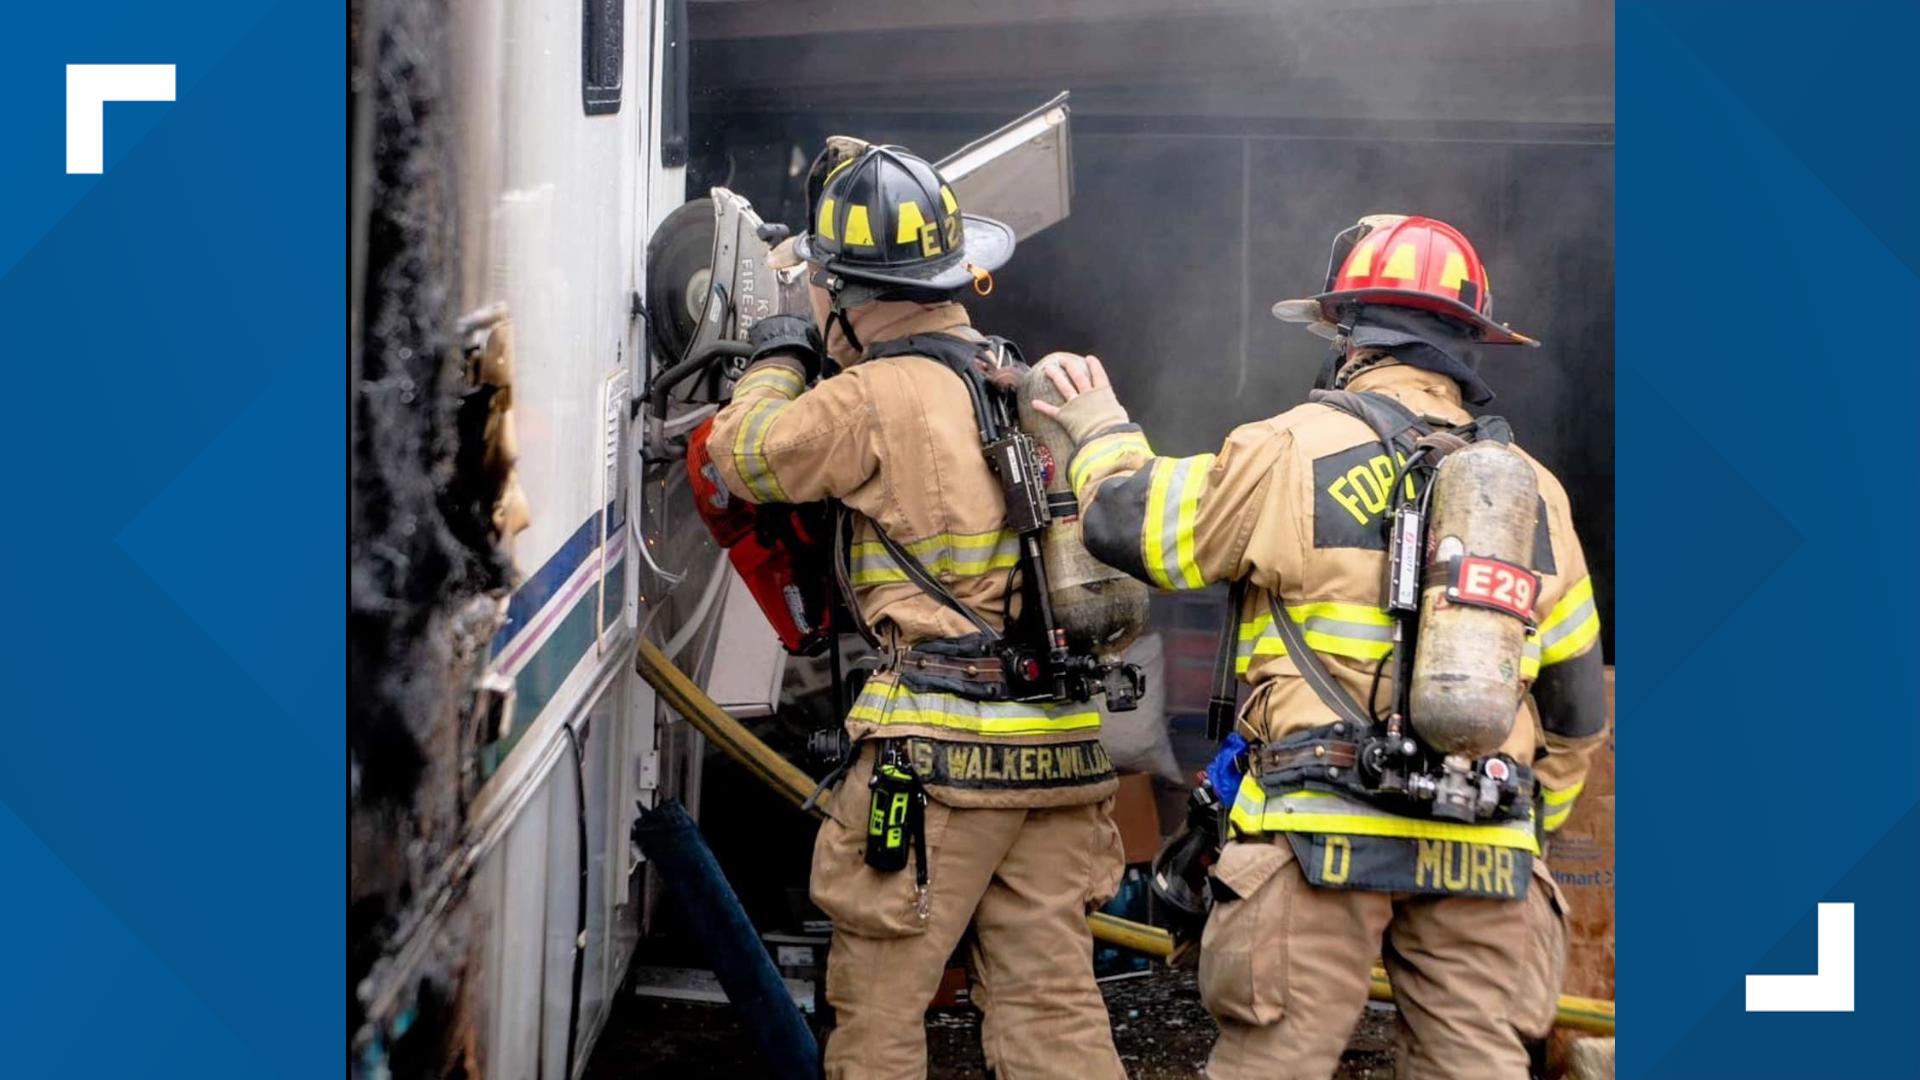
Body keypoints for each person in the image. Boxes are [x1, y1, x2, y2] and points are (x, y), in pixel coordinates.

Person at [1036, 214, 1608, 1079]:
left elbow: (1133, 525)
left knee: (1274, 1063)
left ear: (1352, 335)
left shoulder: (1294, 447)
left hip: (1319, 834)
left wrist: (1099, 428)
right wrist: (1521, 825)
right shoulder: (1538, 498)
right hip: (1487, 841)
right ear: (1468, 345)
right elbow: (1576, 714)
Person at [705, 144, 1127, 1080]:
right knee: (1053, 1005)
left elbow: (745, 456)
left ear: (842, 291)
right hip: (1060, 752)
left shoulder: (872, 396)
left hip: (935, 759)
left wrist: (778, 352)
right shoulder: (1012, 376)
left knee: (880, 1005)